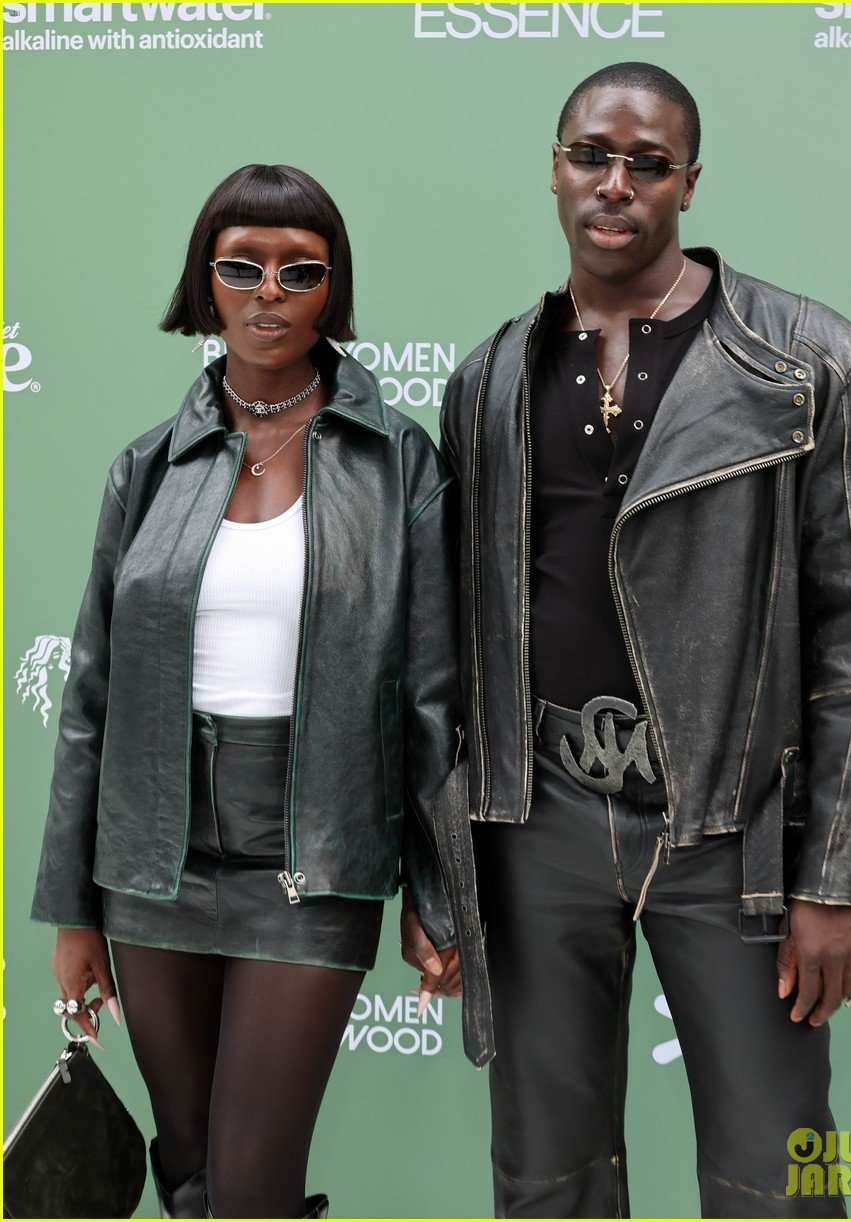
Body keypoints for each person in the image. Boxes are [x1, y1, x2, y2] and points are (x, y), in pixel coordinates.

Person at [420, 63, 851, 1218]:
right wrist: (445, 871)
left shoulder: (807, 363)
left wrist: (830, 879)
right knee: (545, 1173)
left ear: (687, 181)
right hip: (538, 817)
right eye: (591, 154)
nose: (613, 182)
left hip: (731, 829)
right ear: (553, 168)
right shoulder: (487, 380)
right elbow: (453, 650)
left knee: (773, 1172)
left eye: (645, 162)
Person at [30, 163, 468, 1220]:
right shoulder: (149, 467)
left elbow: (432, 696)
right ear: (206, 282)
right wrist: (73, 909)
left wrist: (436, 890)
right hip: (150, 856)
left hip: (313, 851)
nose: (268, 291)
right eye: (241, 266)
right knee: (187, 1166)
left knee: (252, 1183)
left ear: (331, 287)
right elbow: (89, 695)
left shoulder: (397, 461)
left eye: (298, 271)